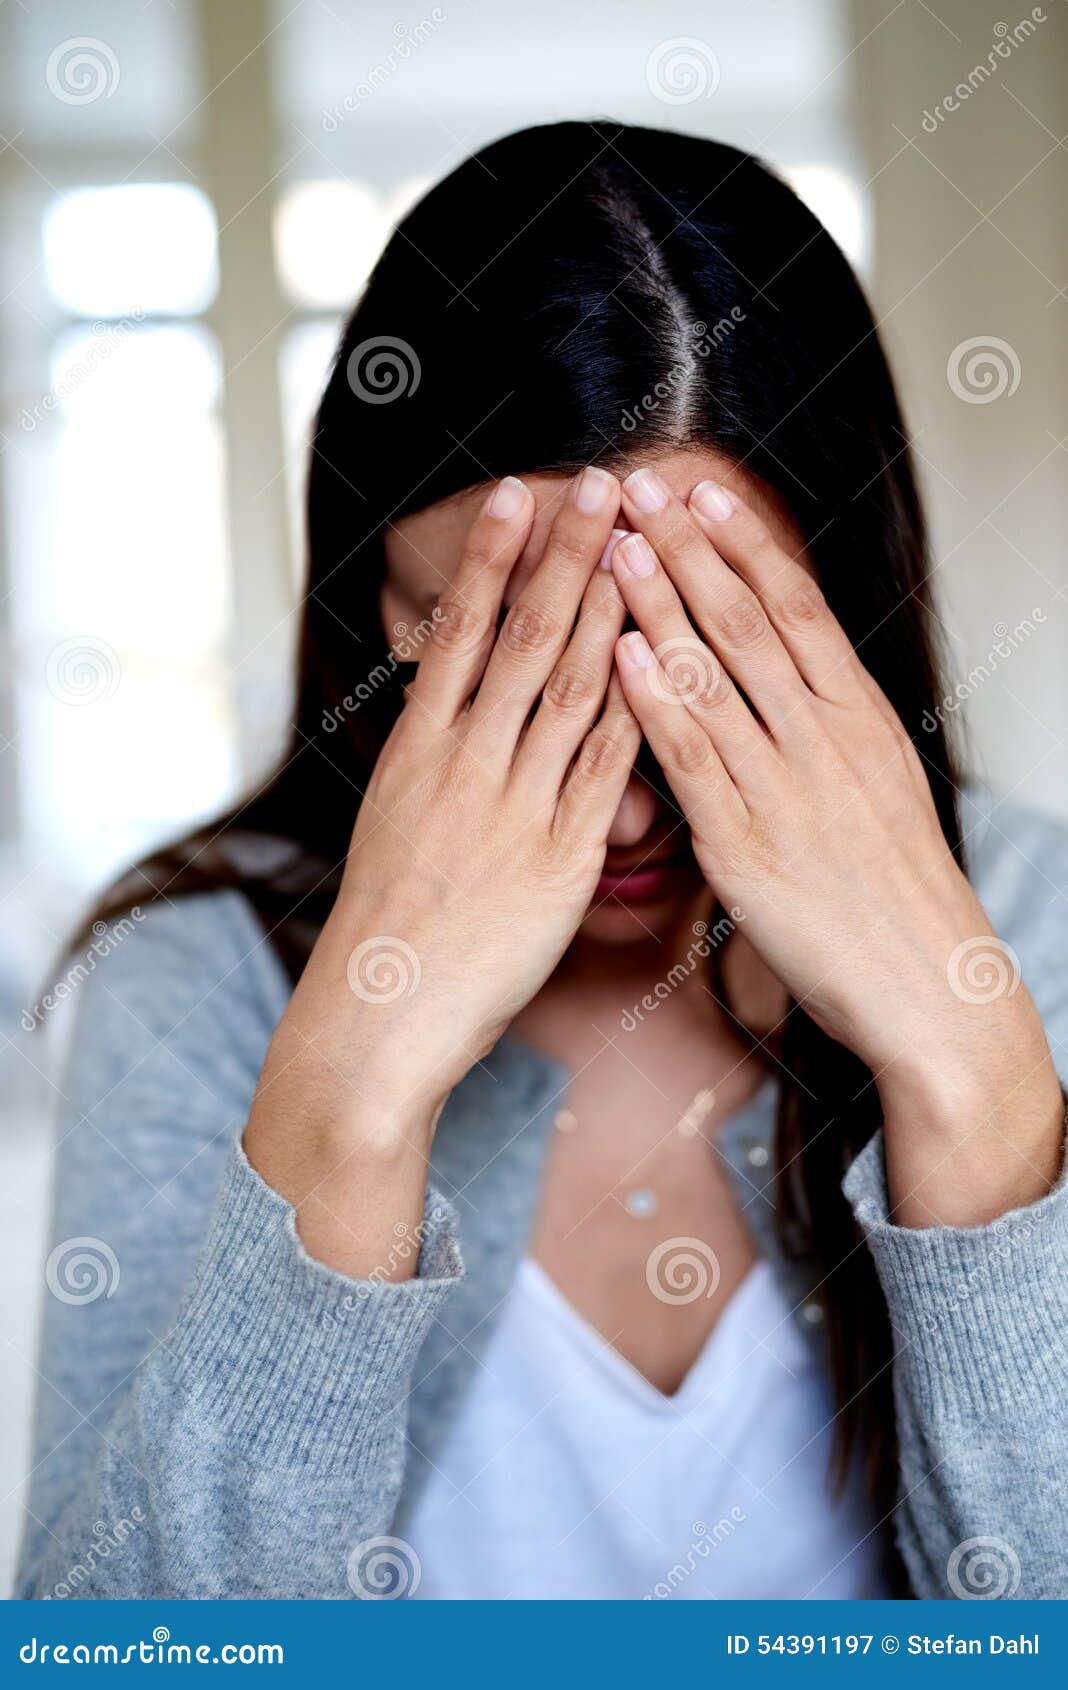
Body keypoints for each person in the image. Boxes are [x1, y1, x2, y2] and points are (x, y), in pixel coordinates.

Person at [19, 121, 1067, 1601]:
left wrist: (967, 1078)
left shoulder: (1035, 919)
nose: (628, 816)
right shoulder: (198, 974)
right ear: (376, 606)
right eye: (518, 657)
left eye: (705, 661)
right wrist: (356, 1084)